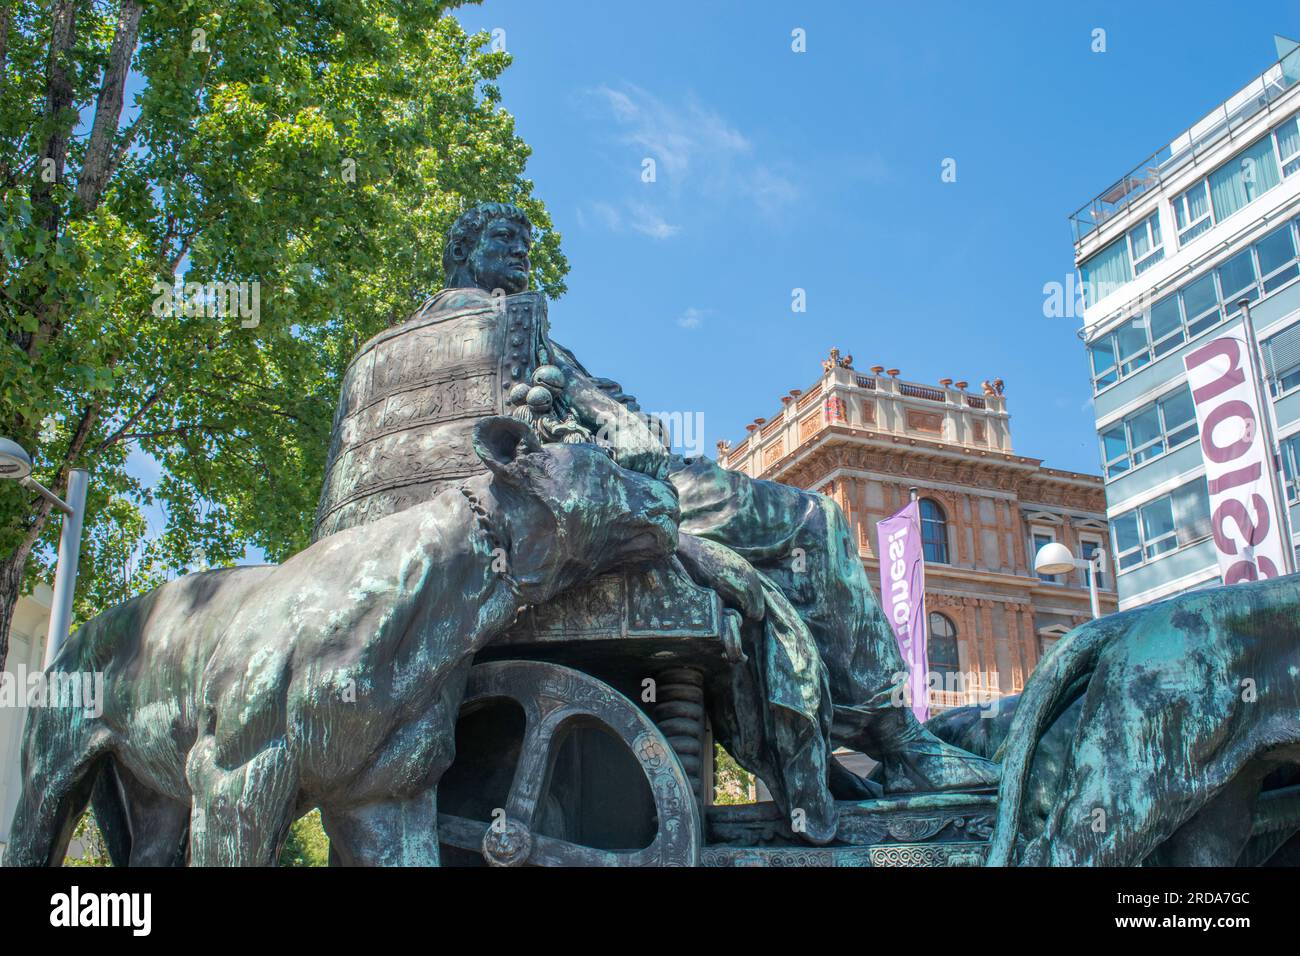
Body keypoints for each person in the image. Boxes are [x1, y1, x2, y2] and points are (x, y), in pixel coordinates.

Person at [437, 202, 998, 841]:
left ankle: (832, 738)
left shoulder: (510, 326)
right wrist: (613, 417)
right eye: (505, 241)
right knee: (815, 523)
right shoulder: (488, 320)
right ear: (462, 253)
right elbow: (572, 413)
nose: (520, 256)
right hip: (608, 487)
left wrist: (611, 407)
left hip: (611, 478)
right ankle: (899, 742)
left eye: (525, 246)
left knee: (800, 548)